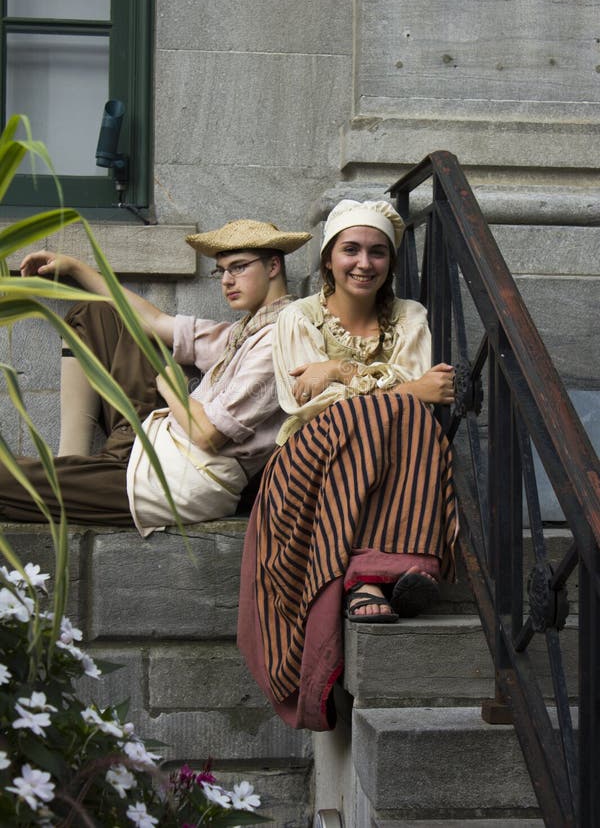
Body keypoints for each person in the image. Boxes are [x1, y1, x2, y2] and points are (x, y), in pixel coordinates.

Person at [238, 199, 458, 731]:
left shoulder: (409, 317)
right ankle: (380, 572)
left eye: (377, 252)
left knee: (412, 422)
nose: (365, 263)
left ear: (391, 262)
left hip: (380, 463)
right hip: (305, 464)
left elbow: (415, 397)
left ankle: (371, 577)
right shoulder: (299, 317)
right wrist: (349, 369)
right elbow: (305, 404)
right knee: (394, 409)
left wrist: (340, 376)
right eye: (351, 250)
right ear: (328, 259)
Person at [0, 219, 311, 535]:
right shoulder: (241, 333)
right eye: (221, 271)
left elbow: (208, 435)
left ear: (273, 267)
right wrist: (77, 269)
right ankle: (74, 462)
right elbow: (154, 321)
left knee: (5, 479)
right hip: (158, 444)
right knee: (95, 315)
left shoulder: (279, 341)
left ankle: (77, 475)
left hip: (177, 479)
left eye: (239, 268)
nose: (227, 281)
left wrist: (171, 386)